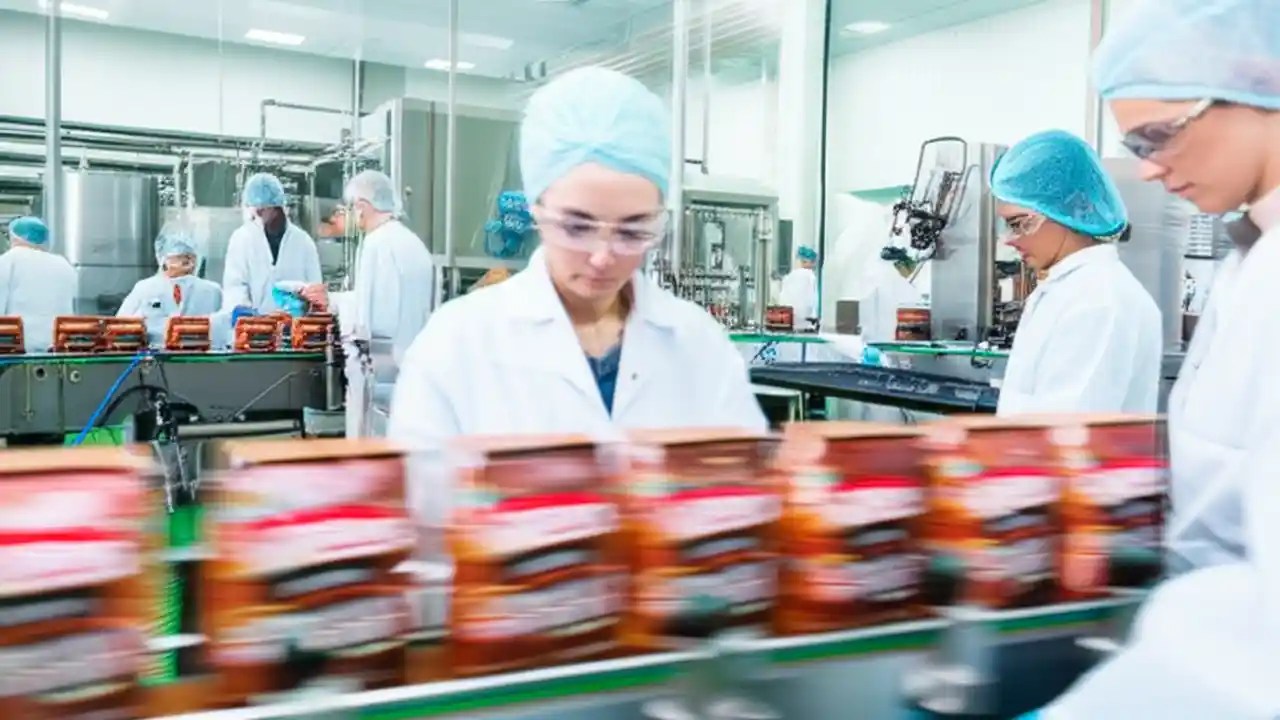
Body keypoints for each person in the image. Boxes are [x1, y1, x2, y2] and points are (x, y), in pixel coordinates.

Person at [1020, 1, 1280, 716]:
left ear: (1259, 82)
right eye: (1137, 149)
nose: (1154, 169)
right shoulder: (1250, 256)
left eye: (1160, 135)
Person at [389, 66, 766, 444]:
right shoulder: (457, 343)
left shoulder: (698, 343)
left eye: (632, 231)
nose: (603, 257)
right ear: (536, 209)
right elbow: (418, 493)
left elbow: (746, 485)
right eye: (577, 228)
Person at [989, 129, 1162, 417]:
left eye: (1019, 223)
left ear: (1065, 212)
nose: (1009, 239)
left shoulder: (1099, 301)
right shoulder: (1068, 289)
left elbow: (1067, 430)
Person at [312, 170, 435, 438]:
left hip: (380, 371)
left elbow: (368, 320)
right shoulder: (414, 245)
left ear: (362, 207)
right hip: (411, 368)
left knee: (373, 446)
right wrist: (336, 299)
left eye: (351, 208)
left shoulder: (376, 244)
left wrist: (337, 309)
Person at [221, 173, 322, 315]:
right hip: (254, 330)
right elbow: (234, 286)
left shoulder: (303, 242)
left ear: (280, 207)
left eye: (266, 209)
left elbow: (315, 290)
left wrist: (306, 310)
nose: (259, 213)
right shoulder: (241, 239)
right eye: (257, 209)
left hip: (296, 329)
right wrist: (243, 312)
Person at [118, 225, 222, 345]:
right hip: (153, 356)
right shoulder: (145, 288)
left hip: (201, 356)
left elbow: (225, 331)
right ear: (163, 258)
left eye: (189, 256)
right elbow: (120, 327)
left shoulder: (212, 290)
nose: (186, 261)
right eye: (178, 256)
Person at [0, 216, 77, 353]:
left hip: (15, 349)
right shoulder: (63, 264)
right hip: (56, 347)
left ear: (14, 237)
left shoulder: (8, 260)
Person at [777, 246, 819, 329]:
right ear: (806, 261)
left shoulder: (788, 277)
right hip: (803, 322)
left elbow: (782, 299)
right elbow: (811, 301)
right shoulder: (810, 276)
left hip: (785, 320)